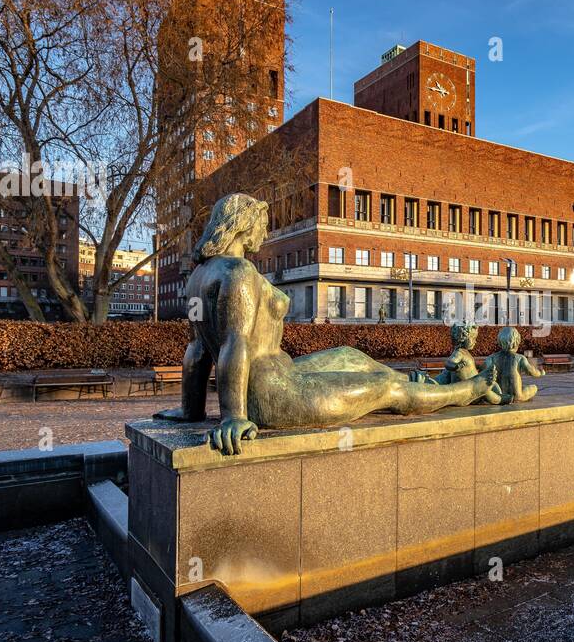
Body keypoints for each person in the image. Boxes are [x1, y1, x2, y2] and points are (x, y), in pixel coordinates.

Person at [155, 193, 494, 454]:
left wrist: (190, 411)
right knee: (387, 389)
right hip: (274, 393)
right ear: (244, 225)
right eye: (262, 225)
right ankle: (468, 390)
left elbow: (196, 350)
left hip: (282, 372)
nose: (265, 232)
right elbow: (234, 343)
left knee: (350, 355)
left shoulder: (198, 276)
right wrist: (234, 417)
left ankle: (422, 384)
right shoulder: (238, 272)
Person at [479, 326, 543, 405]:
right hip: (517, 396)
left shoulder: (491, 358)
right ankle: (518, 395)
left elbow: (482, 370)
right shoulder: (519, 358)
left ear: (499, 341)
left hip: (500, 395)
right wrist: (540, 372)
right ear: (517, 341)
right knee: (534, 388)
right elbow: (531, 372)